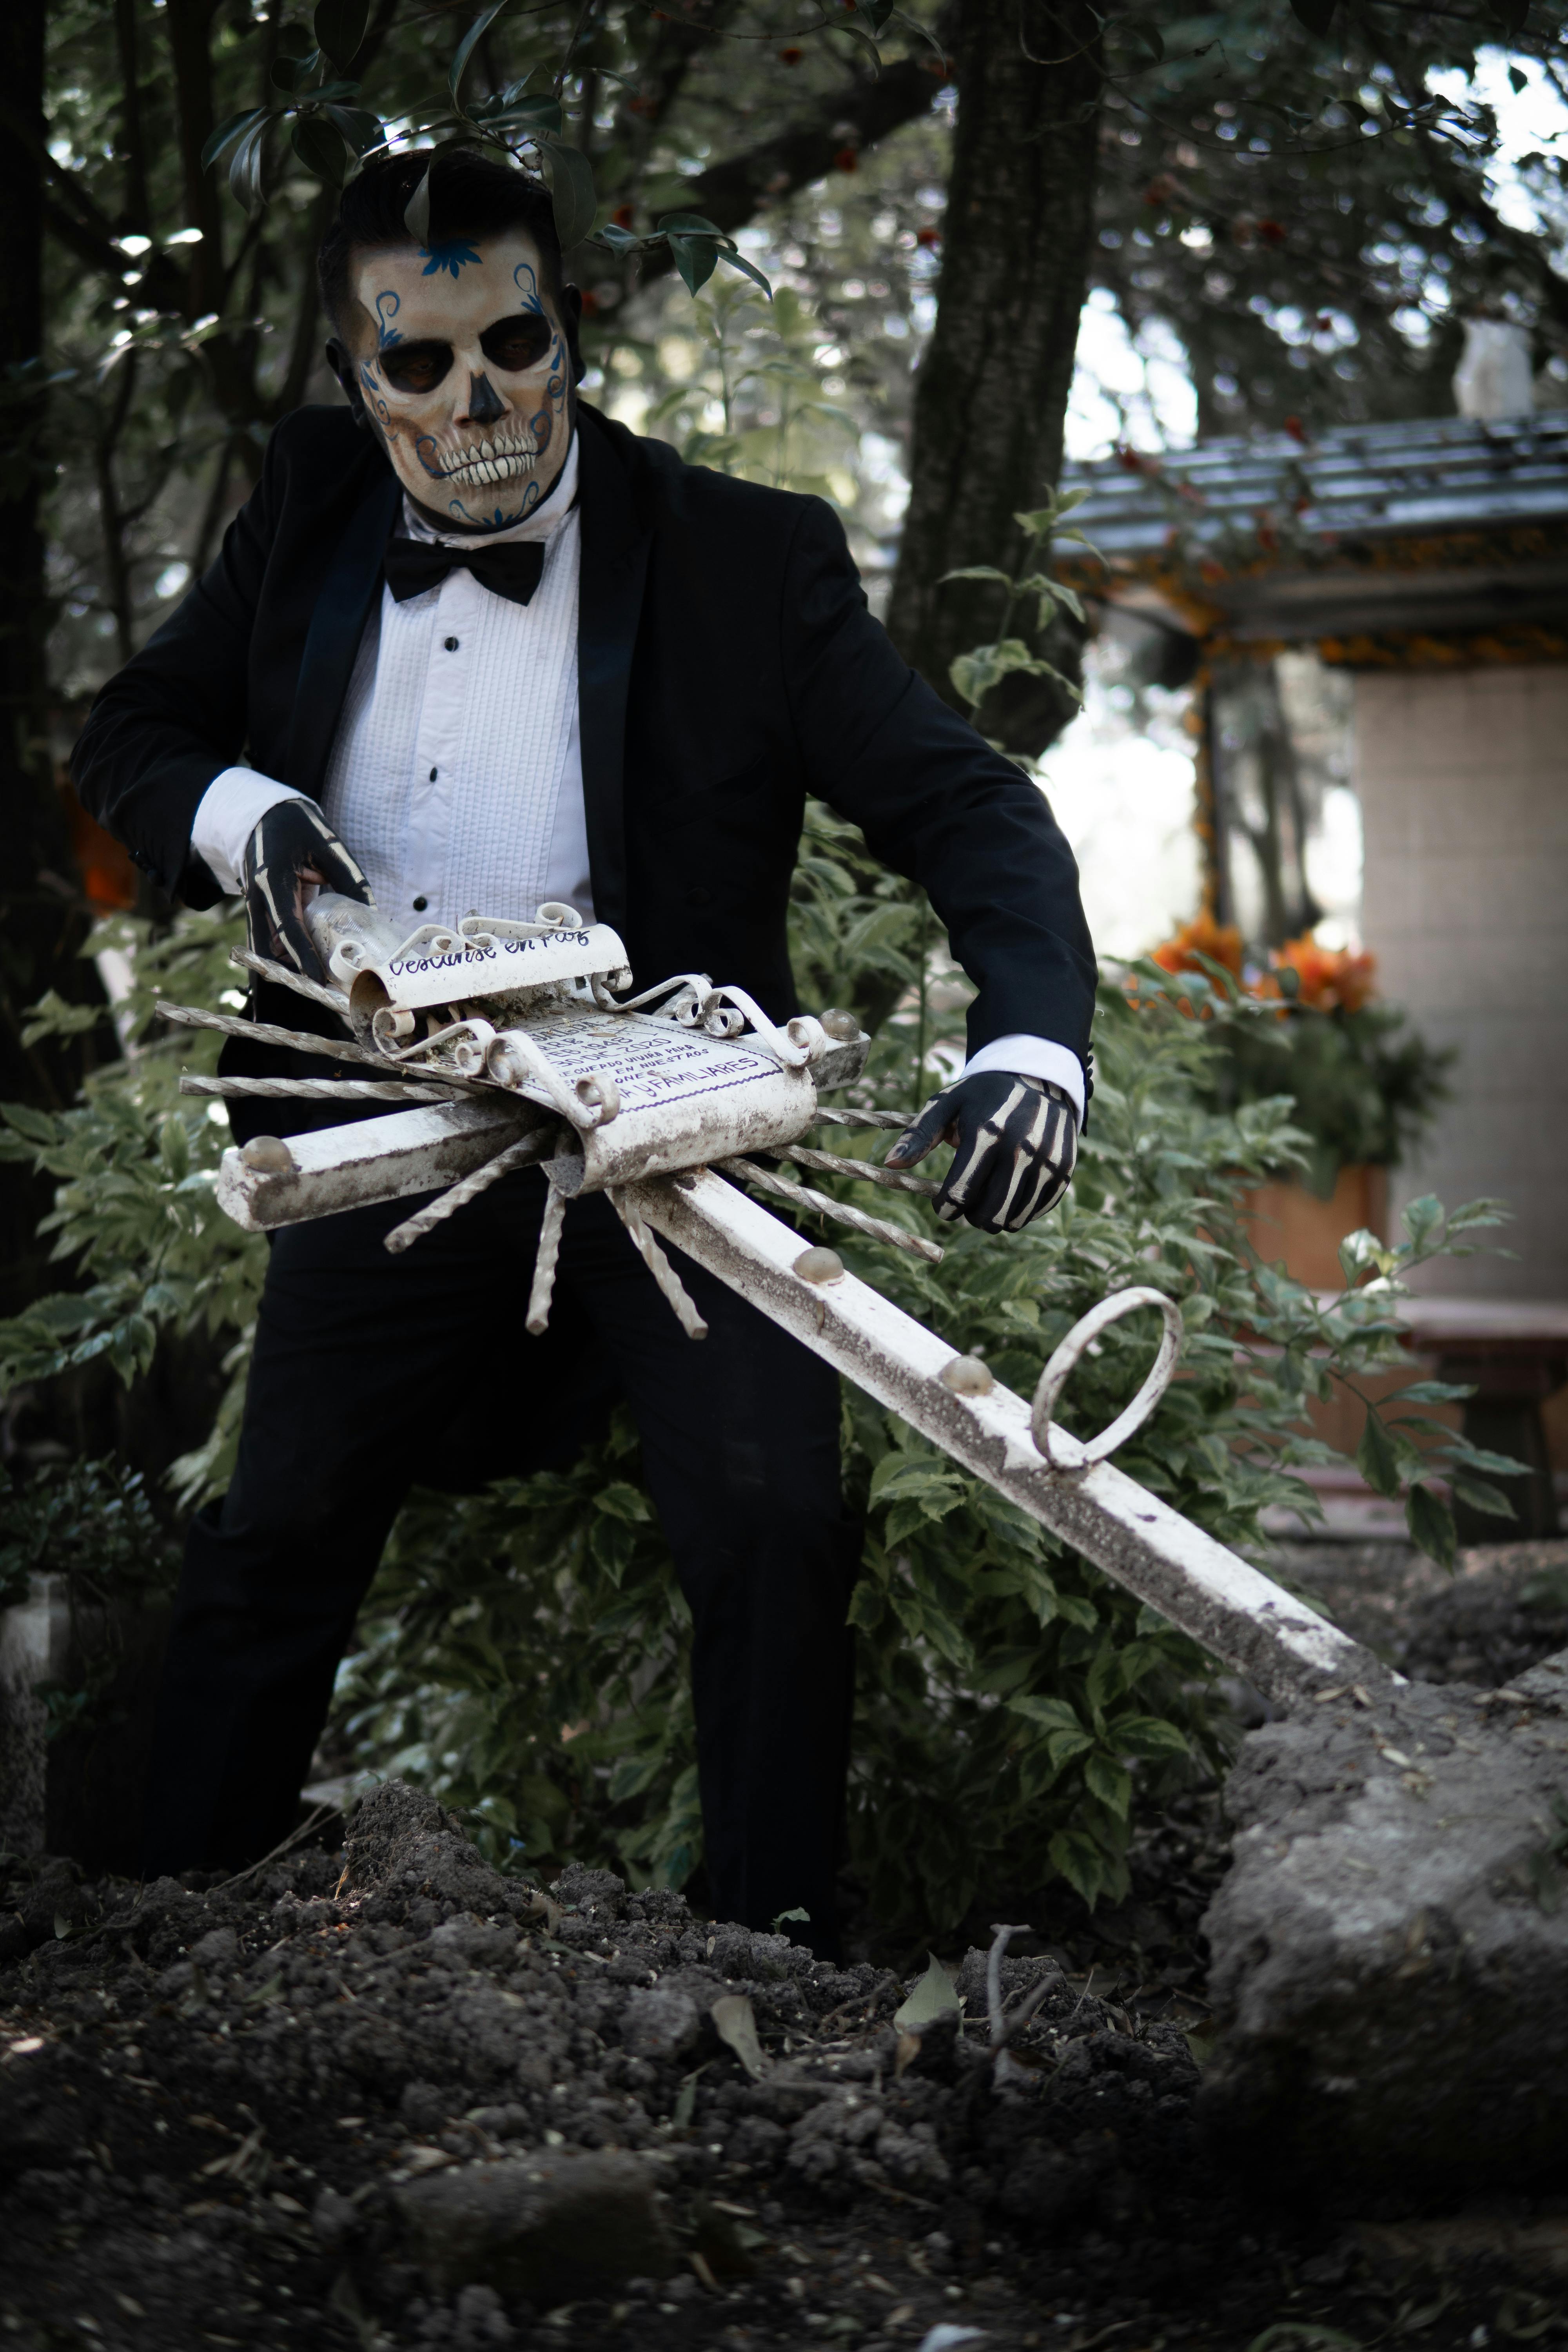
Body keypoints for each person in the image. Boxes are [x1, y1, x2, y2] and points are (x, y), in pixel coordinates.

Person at [73, 149, 1096, 1956]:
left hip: (674, 1135)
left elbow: (966, 808)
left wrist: (1032, 1044)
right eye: (419, 364)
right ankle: (169, 1940)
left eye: (512, 341)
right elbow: (138, 728)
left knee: (775, 1525)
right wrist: (253, 820)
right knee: (273, 1533)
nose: (475, 401)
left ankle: (776, 1968)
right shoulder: (306, 507)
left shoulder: (742, 556)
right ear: (355, 381)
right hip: (389, 1119)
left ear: (573, 326)